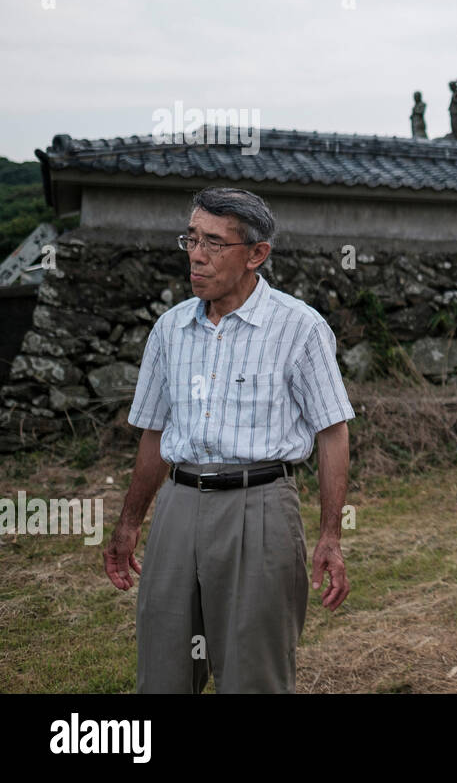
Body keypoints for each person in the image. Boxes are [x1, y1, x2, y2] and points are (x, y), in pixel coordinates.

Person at [103, 187, 354, 693]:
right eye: (191, 239)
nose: (196, 255)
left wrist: (331, 535)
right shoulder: (170, 329)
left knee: (252, 676)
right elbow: (154, 432)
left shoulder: (299, 328)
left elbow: (332, 433)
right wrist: (129, 523)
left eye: (214, 243)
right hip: (178, 505)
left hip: (260, 509)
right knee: (163, 670)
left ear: (256, 254)